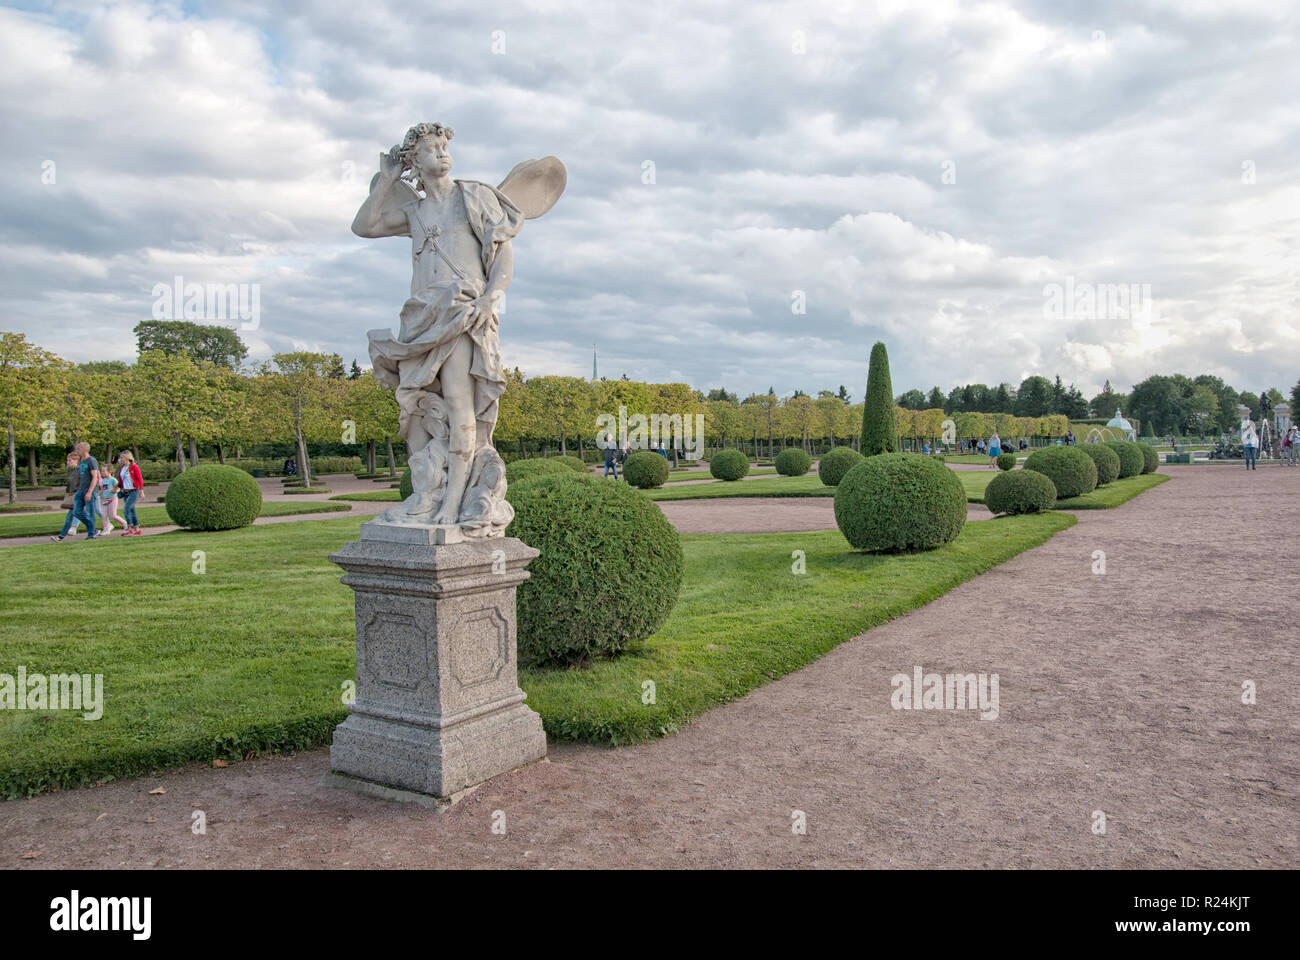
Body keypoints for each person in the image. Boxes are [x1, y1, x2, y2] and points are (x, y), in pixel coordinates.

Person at [50, 452, 83, 542]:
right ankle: (94, 530)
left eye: (69, 460)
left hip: (77, 496)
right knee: (80, 516)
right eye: (67, 460)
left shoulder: (79, 470)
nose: (67, 462)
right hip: (73, 496)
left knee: (70, 517)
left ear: (76, 460)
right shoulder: (72, 471)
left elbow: (82, 483)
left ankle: (60, 536)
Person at [70, 440, 100, 539]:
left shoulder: (91, 460)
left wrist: (90, 492)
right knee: (76, 512)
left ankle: (91, 535)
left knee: (91, 512)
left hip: (89, 491)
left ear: (84, 449)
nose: (77, 450)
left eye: (79, 448)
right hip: (81, 491)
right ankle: (93, 528)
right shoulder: (82, 461)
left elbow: (95, 477)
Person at [117, 451, 145, 535]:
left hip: (133, 491)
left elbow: (140, 479)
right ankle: (137, 528)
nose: (120, 459)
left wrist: (141, 491)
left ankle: (129, 528)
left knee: (126, 509)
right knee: (132, 510)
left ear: (127, 458)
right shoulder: (122, 467)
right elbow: (120, 480)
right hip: (126, 491)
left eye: (122, 457)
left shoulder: (134, 467)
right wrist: (116, 488)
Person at [98, 464, 123, 534]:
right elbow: (103, 489)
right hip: (105, 500)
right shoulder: (103, 481)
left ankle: (124, 523)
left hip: (113, 499)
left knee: (113, 515)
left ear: (110, 471)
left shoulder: (113, 480)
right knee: (103, 515)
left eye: (104, 471)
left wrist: (115, 491)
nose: (102, 473)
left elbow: (118, 488)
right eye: (102, 471)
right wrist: (100, 494)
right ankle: (106, 529)